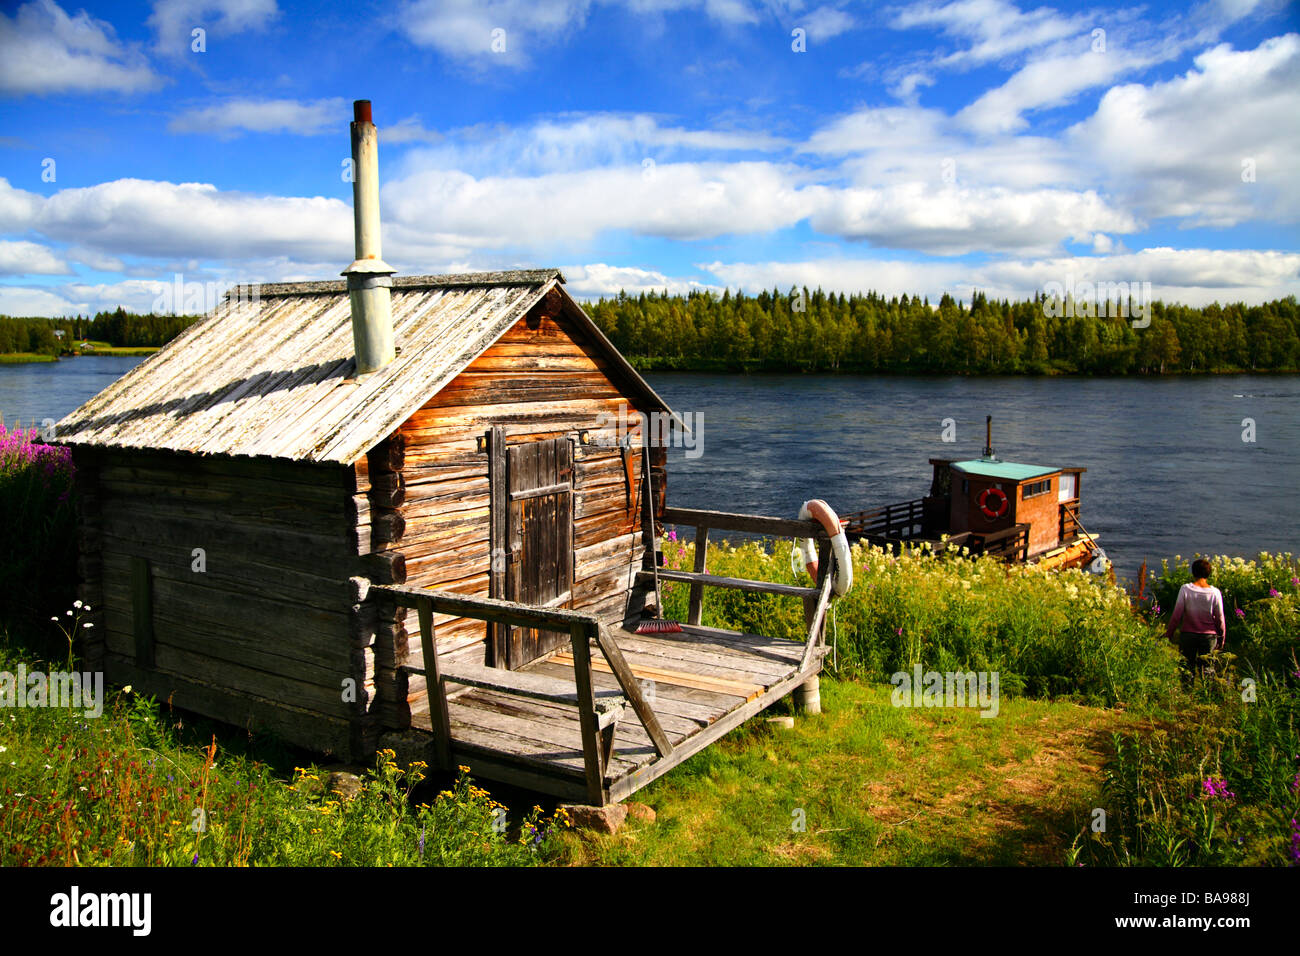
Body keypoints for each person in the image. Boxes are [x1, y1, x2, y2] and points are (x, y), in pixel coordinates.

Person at [1164, 558, 1227, 675]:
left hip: (1188, 634)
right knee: (1207, 669)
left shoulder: (1185, 589)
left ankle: (1187, 691)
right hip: (1209, 636)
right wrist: (1221, 637)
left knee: (1186, 667)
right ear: (1209, 573)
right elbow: (1219, 618)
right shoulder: (1215, 592)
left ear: (1193, 573)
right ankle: (1207, 692)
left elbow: (1177, 615)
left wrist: (1169, 634)